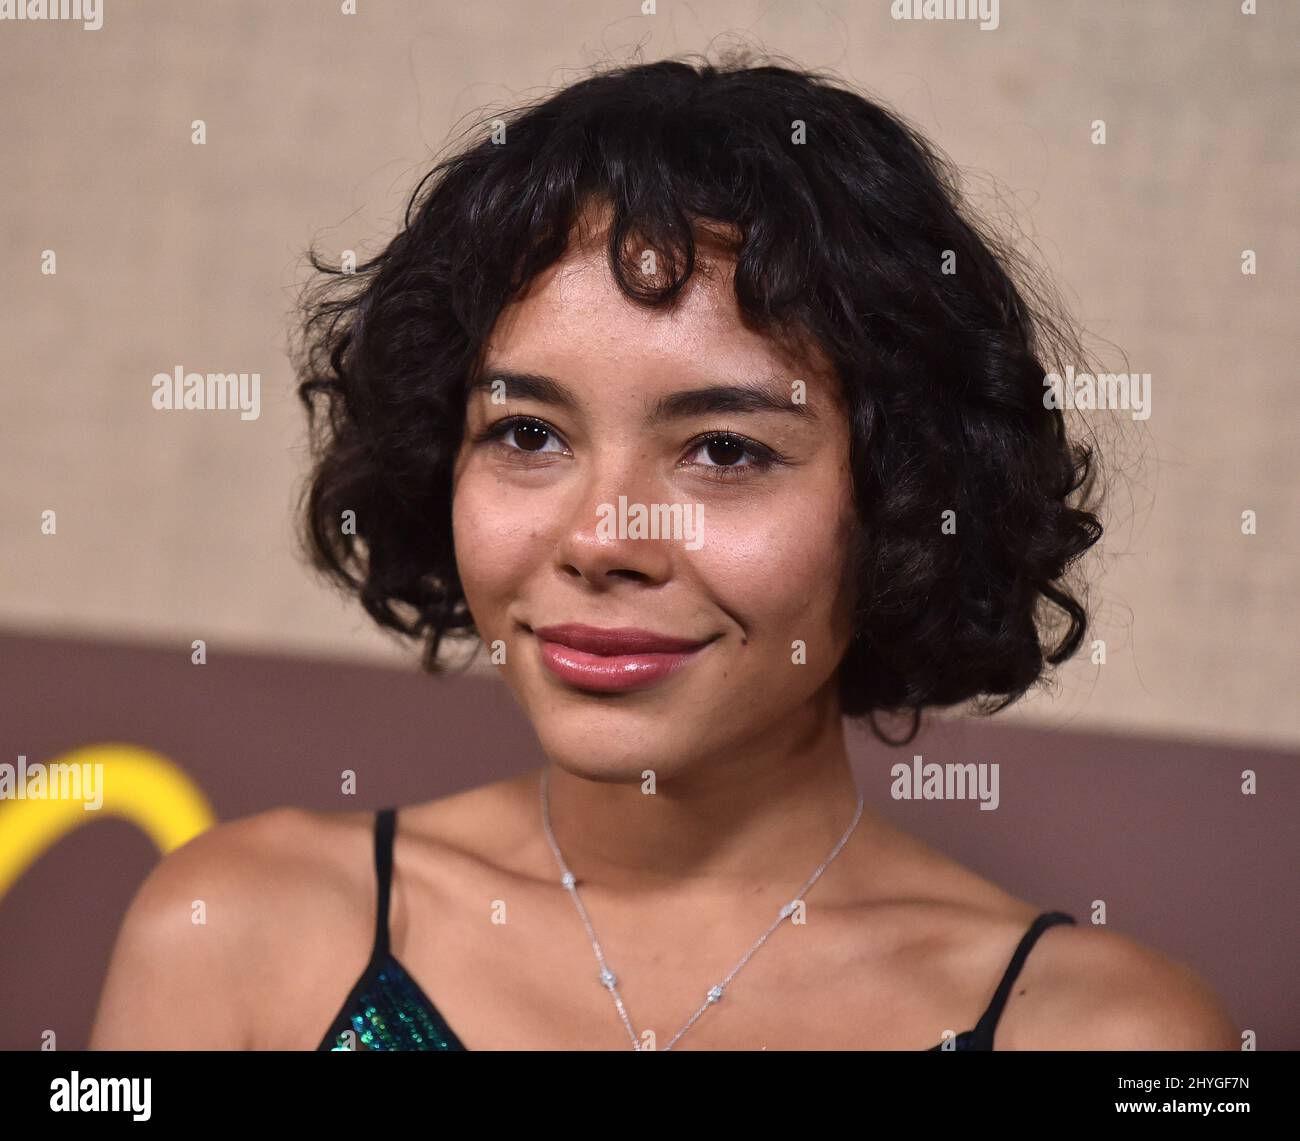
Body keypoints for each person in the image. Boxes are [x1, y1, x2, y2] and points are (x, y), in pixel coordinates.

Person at [90, 51, 1237, 1051]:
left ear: (899, 502)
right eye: (527, 434)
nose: (599, 539)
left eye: (725, 452)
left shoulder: (1113, 1037)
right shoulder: (234, 931)